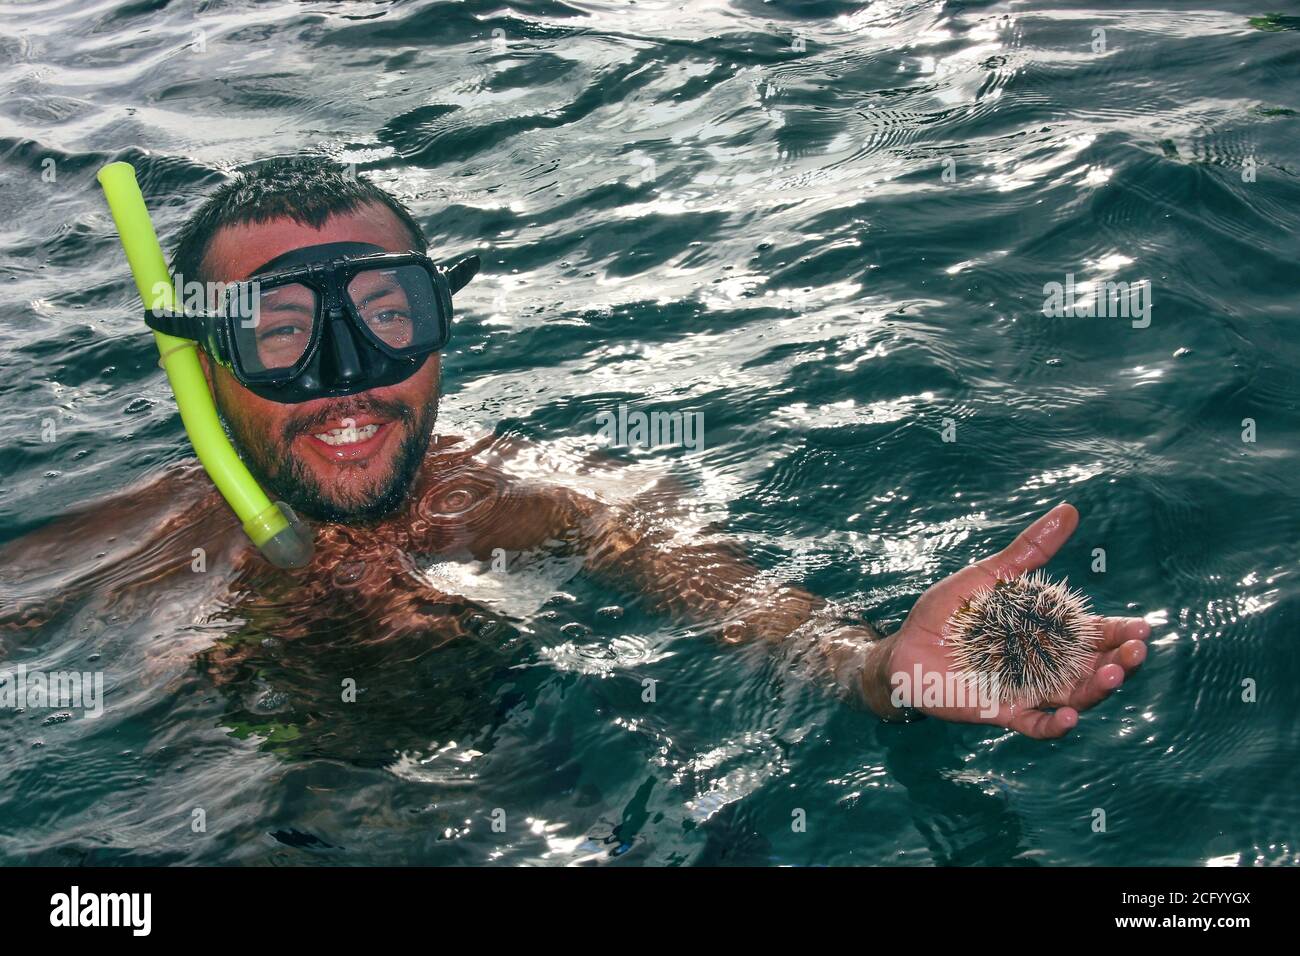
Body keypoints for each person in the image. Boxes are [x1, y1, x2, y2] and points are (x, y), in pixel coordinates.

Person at [1, 158, 1149, 737]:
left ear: (439, 325)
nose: (347, 376)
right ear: (204, 365)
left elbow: (780, 631)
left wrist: (891, 673)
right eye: (282, 335)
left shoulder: (548, 499)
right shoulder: (136, 547)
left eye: (386, 316)